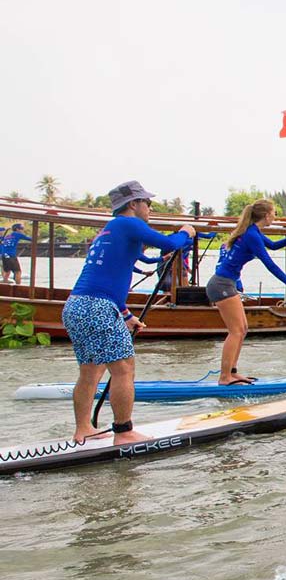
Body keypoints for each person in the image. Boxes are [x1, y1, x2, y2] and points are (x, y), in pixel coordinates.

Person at [61, 181, 194, 443]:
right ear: (133, 204)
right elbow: (169, 242)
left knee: (90, 371)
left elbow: (127, 266)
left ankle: (83, 429)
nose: (150, 208)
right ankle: (124, 432)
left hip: (77, 305)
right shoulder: (128, 222)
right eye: (147, 203)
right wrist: (186, 232)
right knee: (123, 368)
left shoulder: (110, 230)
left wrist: (126, 315)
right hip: (97, 306)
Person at [209, 199, 286, 384]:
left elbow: (273, 246)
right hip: (221, 284)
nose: (275, 216)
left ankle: (233, 371)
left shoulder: (254, 231)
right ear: (267, 215)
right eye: (274, 213)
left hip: (226, 283)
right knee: (236, 331)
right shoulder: (251, 234)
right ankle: (224, 377)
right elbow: (269, 264)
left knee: (243, 329)